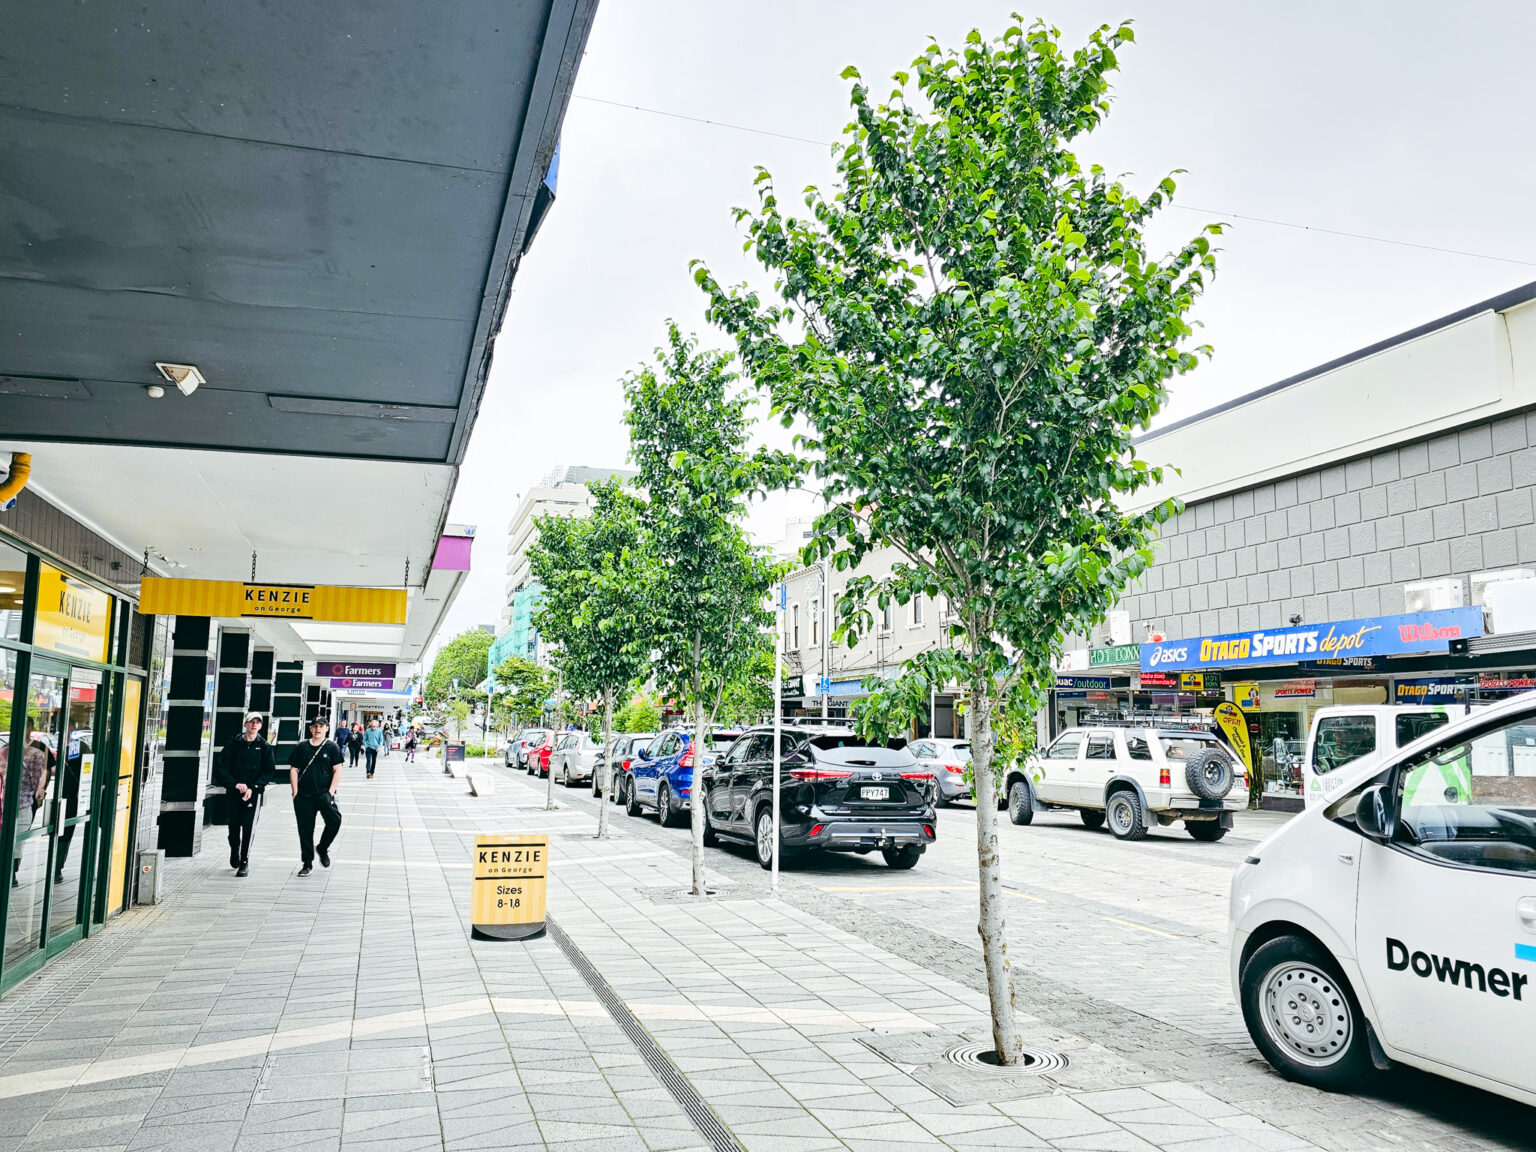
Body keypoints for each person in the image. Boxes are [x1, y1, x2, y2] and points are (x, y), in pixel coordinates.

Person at [213, 712, 274, 877]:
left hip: (253, 793)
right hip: (234, 791)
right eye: (251, 722)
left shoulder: (265, 746)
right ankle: (235, 849)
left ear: (261, 726)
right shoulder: (233, 744)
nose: (254, 725)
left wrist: (253, 787)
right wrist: (234, 784)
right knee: (233, 825)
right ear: (245, 724)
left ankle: (244, 862)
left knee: (248, 826)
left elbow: (268, 771)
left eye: (257, 722)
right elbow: (221, 768)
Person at [289, 717, 344, 877]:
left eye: (321, 726)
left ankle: (322, 847)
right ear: (310, 729)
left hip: (324, 794)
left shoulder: (332, 747)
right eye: (315, 726)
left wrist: (330, 793)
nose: (318, 729)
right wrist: (295, 792)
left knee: (335, 821)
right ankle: (307, 863)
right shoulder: (302, 747)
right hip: (304, 795)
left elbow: (337, 770)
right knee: (305, 830)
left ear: (327, 728)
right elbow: (294, 769)